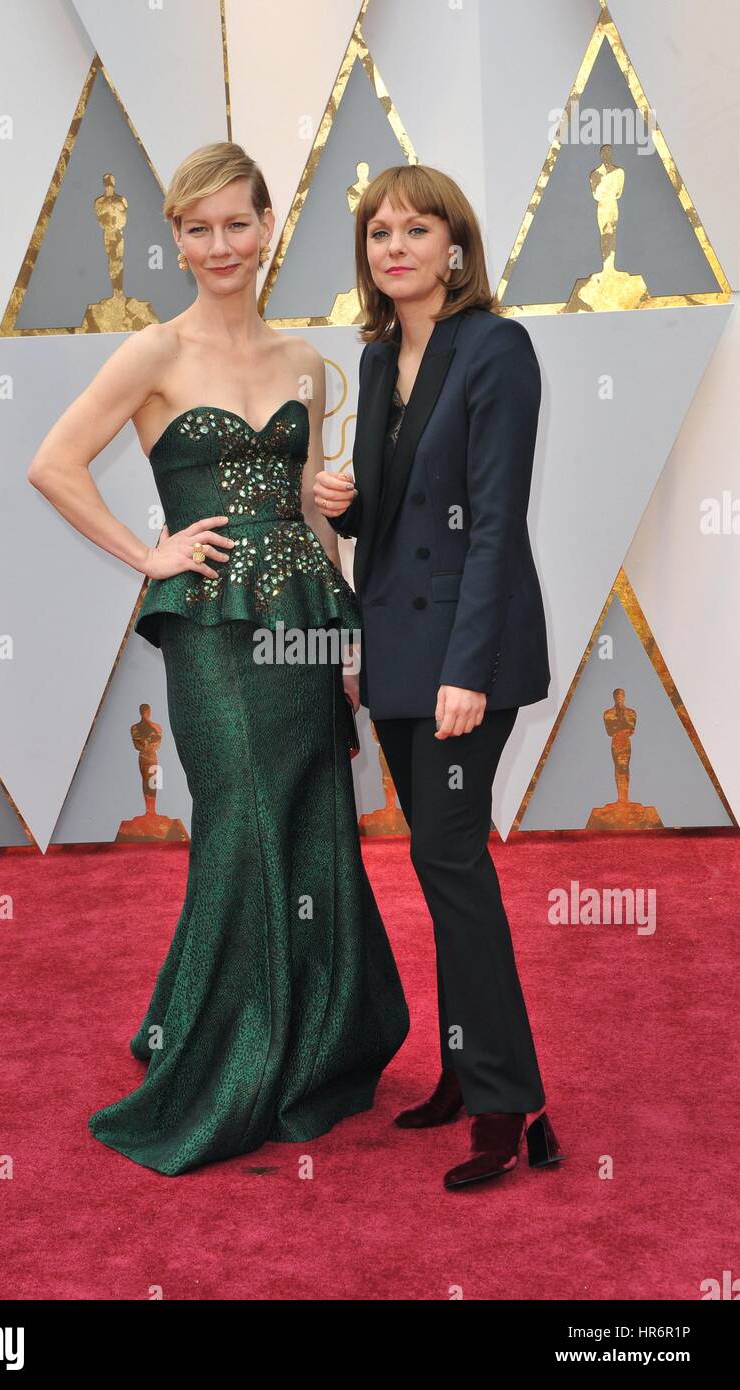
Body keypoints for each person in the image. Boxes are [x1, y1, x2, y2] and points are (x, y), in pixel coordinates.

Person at [27, 141, 409, 1177]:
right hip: (207, 628)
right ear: (177, 238)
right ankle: (225, 1050)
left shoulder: (305, 364)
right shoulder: (152, 353)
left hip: (300, 622)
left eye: (236, 223)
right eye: (197, 229)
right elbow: (52, 464)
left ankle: (311, 1039)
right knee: (239, 819)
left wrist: (345, 644)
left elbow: (310, 514)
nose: (218, 245)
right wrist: (148, 550)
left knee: (306, 811)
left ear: (266, 225)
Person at [314, 164, 565, 1189]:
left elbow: (494, 521)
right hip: (401, 662)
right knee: (435, 865)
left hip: (474, 657)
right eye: (379, 233)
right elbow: (398, 517)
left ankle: (514, 1107)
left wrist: (467, 672)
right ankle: (469, 1070)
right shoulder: (378, 360)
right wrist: (342, 504)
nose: (396, 246)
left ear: (454, 245)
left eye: (417, 228)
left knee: (453, 866)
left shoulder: (497, 347)